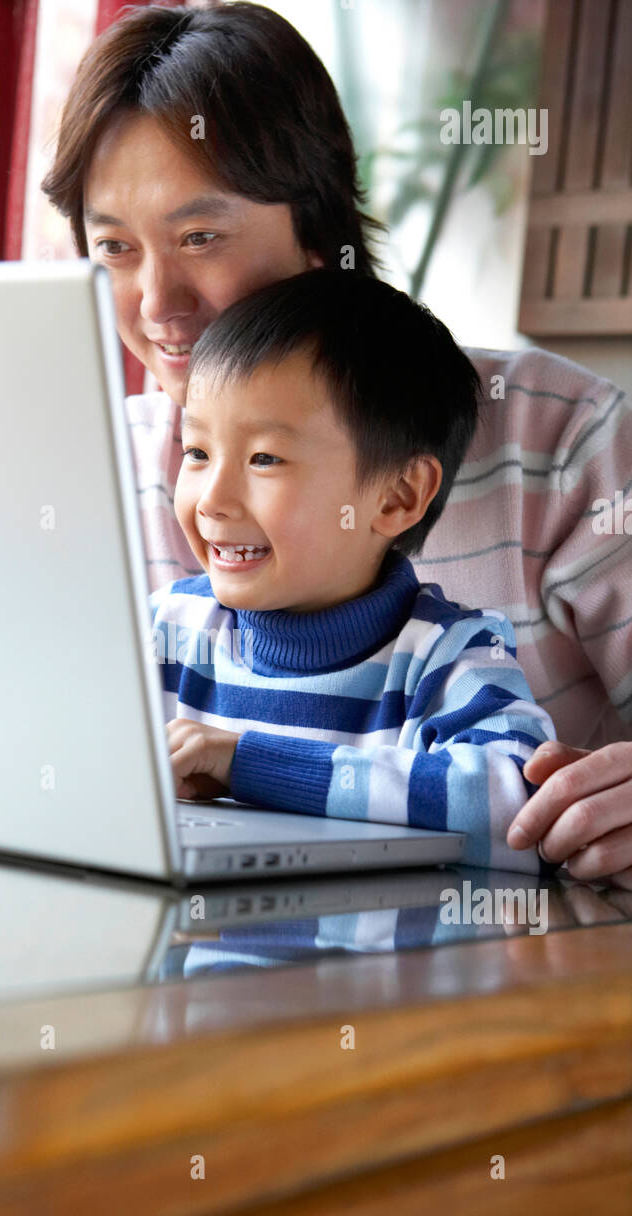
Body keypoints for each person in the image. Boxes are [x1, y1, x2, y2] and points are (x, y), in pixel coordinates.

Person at [42, 2, 632, 885]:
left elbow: (501, 796)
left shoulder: (568, 440)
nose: (156, 301)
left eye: (199, 237)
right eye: (114, 248)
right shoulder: (102, 461)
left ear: (319, 236)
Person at [147, 268, 554, 872]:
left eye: (264, 458)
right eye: (198, 453)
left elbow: (518, 807)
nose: (212, 499)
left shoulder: (447, 656)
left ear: (397, 497)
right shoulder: (165, 630)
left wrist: (247, 763)